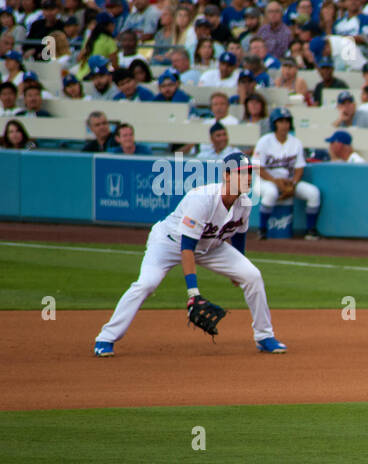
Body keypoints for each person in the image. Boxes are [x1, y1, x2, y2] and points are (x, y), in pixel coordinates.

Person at [92, 152, 288, 357]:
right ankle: (106, 338)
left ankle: (264, 336)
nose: (249, 177)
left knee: (252, 275)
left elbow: (239, 233)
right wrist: (193, 292)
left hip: (212, 246)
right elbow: (187, 248)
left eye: (250, 172)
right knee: (146, 284)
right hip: (169, 243)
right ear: (227, 176)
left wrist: (236, 270)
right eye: (243, 173)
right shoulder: (202, 199)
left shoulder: (245, 203)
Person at [252, 108, 322, 240]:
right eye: (280, 121)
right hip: (265, 181)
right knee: (271, 192)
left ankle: (310, 230)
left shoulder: (296, 142)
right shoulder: (264, 141)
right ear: (274, 123)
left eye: (286, 121)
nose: (284, 125)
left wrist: (293, 185)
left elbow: (299, 168)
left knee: (313, 193)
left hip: (288, 182)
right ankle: (262, 229)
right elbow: (257, 168)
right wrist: (275, 181)